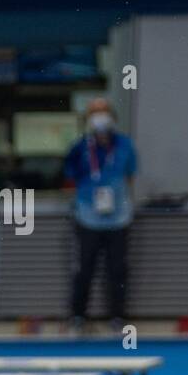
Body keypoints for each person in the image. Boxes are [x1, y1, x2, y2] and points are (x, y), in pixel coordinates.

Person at [62, 98, 137, 332]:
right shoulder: (80, 147)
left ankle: (118, 315)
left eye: (103, 111)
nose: (100, 116)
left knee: (118, 268)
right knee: (85, 267)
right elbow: (69, 177)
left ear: (112, 116)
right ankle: (78, 315)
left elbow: (130, 176)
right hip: (88, 216)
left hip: (118, 217)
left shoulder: (124, 145)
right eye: (95, 112)